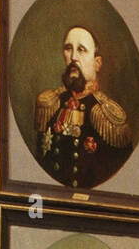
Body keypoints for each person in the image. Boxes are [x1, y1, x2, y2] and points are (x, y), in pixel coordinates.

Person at [34, 26, 132, 187]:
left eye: (81, 50)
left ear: (97, 63)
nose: (73, 57)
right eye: (68, 48)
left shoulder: (109, 116)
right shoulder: (50, 104)